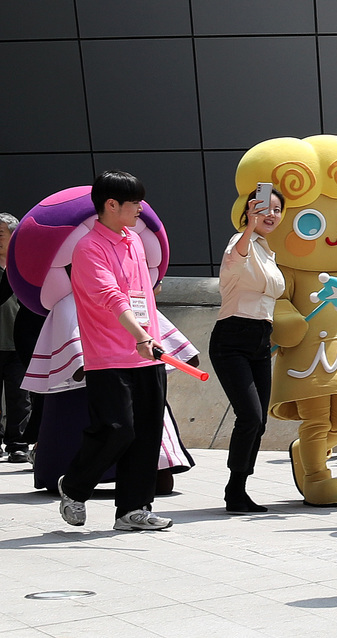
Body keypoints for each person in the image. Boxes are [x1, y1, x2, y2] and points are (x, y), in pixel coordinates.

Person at [56, 170, 172, 531]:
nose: (141, 209)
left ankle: (132, 510)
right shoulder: (89, 248)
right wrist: (139, 335)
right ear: (111, 204)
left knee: (147, 431)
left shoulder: (134, 241)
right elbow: (112, 298)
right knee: (117, 429)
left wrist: (153, 336)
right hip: (109, 356)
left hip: (146, 351)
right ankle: (74, 486)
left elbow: (143, 296)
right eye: (134, 203)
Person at [211, 187, 286, 513]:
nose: (271, 215)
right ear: (248, 212)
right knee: (250, 416)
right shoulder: (239, 242)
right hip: (232, 339)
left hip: (260, 338)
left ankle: (239, 488)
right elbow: (238, 256)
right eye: (263, 209)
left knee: (259, 422)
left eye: (277, 210)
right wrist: (249, 228)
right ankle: (234, 489)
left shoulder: (268, 252)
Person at [0, 212, 33, 463]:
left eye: (1, 234)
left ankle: (18, 444)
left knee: (20, 396)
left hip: (19, 342)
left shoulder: (25, 267)